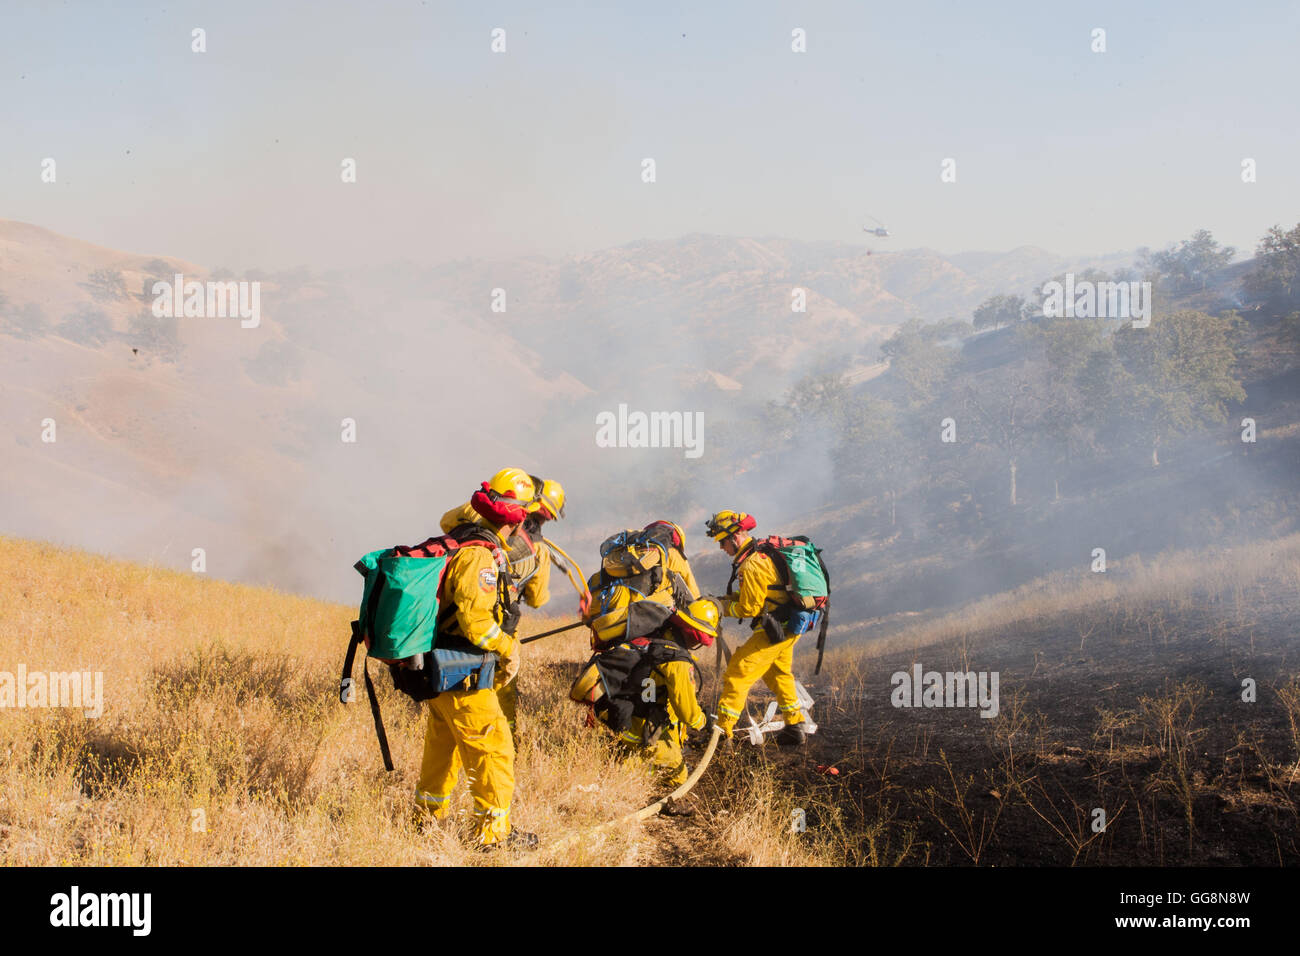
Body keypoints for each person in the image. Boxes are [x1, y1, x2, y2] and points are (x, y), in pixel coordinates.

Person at [414, 472, 536, 849]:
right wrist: (507, 648)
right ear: (516, 517)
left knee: (443, 745)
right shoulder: (479, 555)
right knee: (493, 747)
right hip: (462, 671)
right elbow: (475, 622)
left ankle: (427, 818)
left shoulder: (462, 537)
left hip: (440, 669)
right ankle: (492, 836)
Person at [440, 469, 566, 733]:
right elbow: (537, 599)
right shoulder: (539, 550)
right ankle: (505, 735)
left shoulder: (477, 523)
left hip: (447, 626)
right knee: (500, 695)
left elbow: (446, 521)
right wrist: (508, 649)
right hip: (496, 629)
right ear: (547, 515)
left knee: (448, 717)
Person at [571, 597, 719, 815]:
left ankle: (617, 767)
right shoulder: (677, 660)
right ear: (697, 636)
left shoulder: (657, 634)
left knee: (635, 755)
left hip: (611, 709)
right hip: (635, 724)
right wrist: (704, 721)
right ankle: (667, 798)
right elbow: (687, 712)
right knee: (676, 766)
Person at [704, 510, 815, 747]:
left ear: (735, 537)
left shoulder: (752, 564)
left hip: (776, 629)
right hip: (786, 626)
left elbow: (749, 607)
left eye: (723, 542)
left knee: (738, 671)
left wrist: (721, 607)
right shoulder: (759, 555)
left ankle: (722, 733)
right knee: (778, 674)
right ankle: (795, 726)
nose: (722, 548)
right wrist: (721, 600)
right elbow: (756, 595)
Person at [642, 520, 701, 600]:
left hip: (630, 602)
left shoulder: (637, 549)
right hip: (654, 604)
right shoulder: (677, 556)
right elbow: (693, 591)